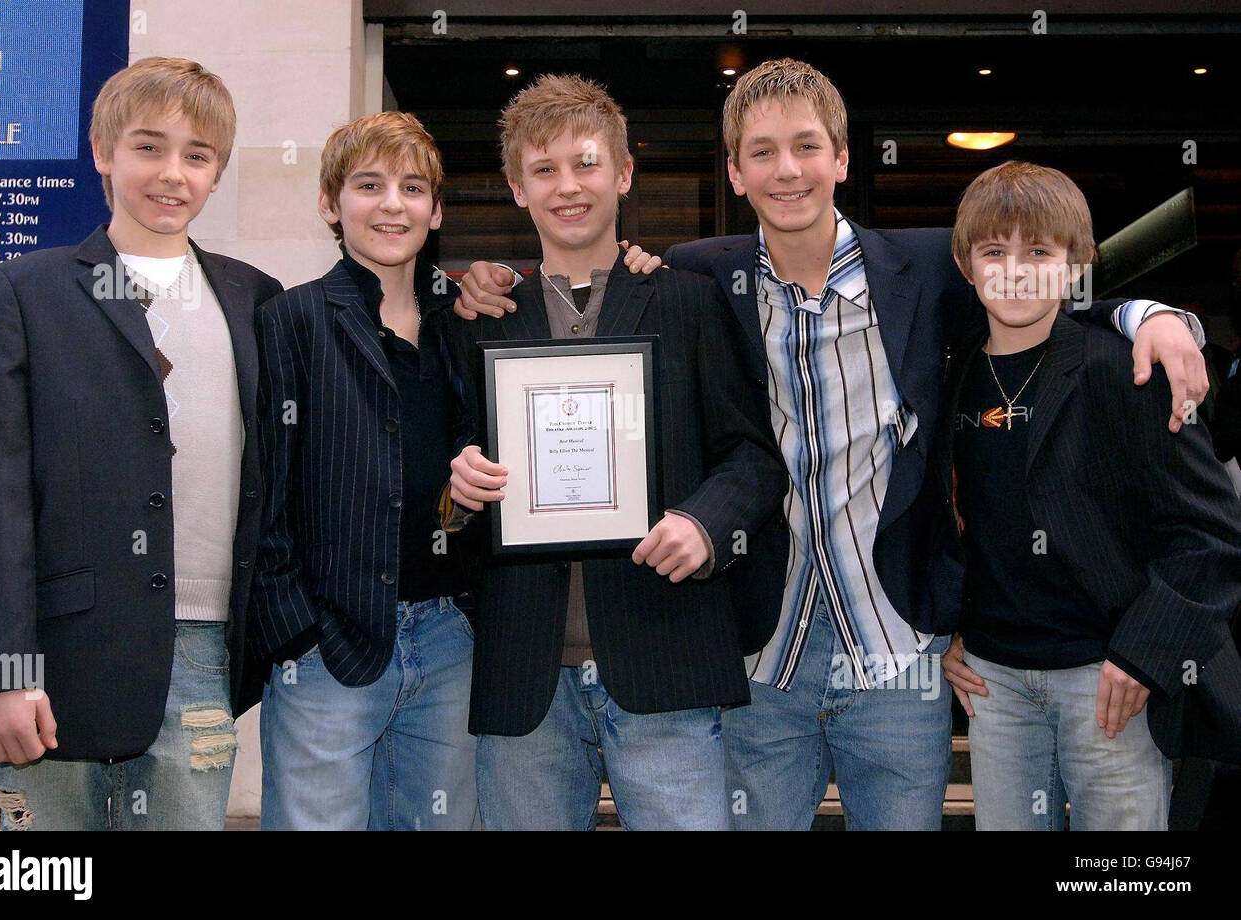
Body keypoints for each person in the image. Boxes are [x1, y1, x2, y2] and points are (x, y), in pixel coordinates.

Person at [454, 58, 1210, 830]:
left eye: (807, 147)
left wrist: (1147, 315)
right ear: (735, 172)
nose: (788, 170)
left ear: (842, 159)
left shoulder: (923, 267)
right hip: (764, 652)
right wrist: (482, 282)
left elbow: (1031, 274)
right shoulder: (699, 277)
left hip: (896, 648)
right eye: (762, 152)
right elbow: (603, 295)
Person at [445, 73, 786, 830]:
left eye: (587, 163)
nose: (567, 187)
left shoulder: (688, 302)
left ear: (624, 174)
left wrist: (704, 523)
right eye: (544, 170)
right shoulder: (482, 318)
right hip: (521, 675)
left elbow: (754, 459)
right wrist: (457, 489)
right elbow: (441, 490)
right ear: (515, 188)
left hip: (665, 660)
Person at [0, 57, 282, 830]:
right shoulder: (25, 290)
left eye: (197, 156)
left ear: (216, 174)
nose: (173, 174)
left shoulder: (255, 299)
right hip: (55, 661)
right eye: (149, 147)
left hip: (202, 656)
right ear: (102, 151)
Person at [932, 160, 1241, 830]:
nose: (1015, 269)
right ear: (965, 264)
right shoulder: (950, 370)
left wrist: (1145, 653)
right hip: (993, 680)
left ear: (1076, 264)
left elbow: (1212, 534)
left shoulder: (1128, 367)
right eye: (994, 251)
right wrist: (951, 627)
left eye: (1039, 251)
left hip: (1108, 680)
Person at [250, 112, 480, 831]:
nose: (392, 204)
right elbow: (266, 491)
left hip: (450, 640)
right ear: (330, 203)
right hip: (328, 645)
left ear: (436, 209)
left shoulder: (467, 323)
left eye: (413, 188)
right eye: (369, 185)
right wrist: (298, 629)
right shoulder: (293, 319)